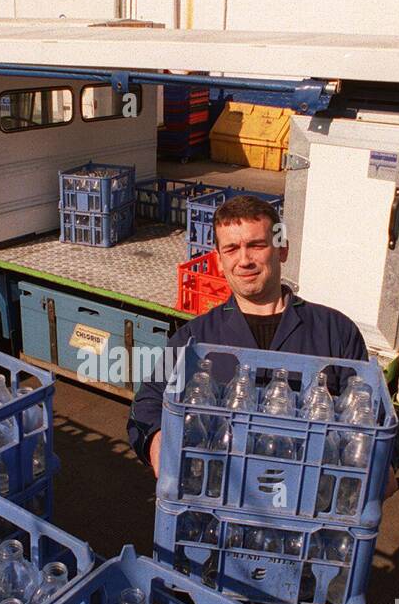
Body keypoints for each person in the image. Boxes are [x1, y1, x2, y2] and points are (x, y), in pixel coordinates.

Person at [128, 193, 375, 475]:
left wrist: (385, 464)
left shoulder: (336, 331)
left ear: (282, 250)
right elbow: (147, 405)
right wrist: (156, 442)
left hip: (309, 499)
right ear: (219, 261)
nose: (244, 260)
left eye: (256, 245)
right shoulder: (194, 338)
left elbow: (371, 412)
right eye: (231, 249)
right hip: (219, 495)